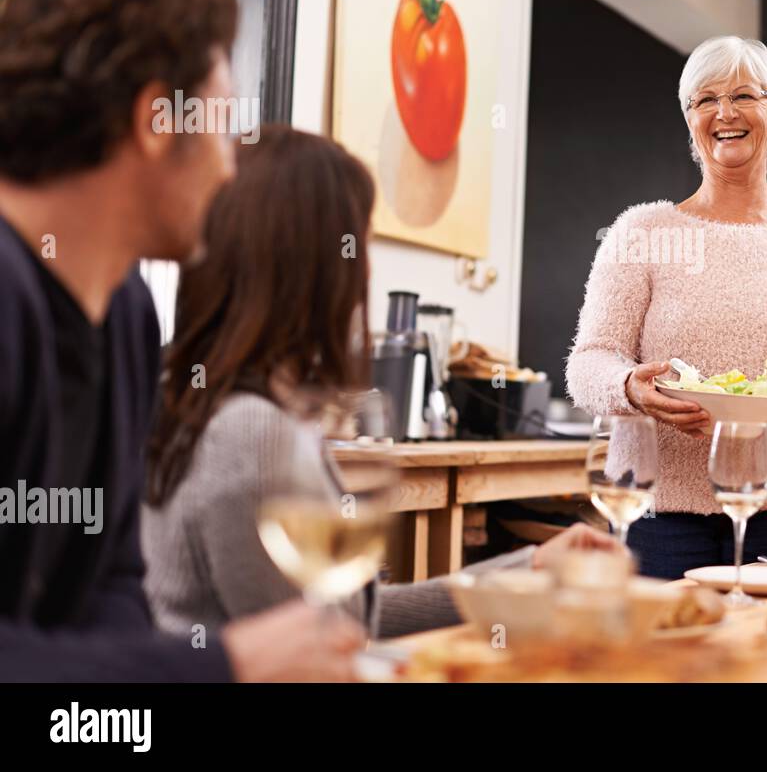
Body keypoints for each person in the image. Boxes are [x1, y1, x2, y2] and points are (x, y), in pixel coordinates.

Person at [0, 0, 360, 680]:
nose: (232, 167)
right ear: (155, 121)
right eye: (223, 129)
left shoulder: (127, 313)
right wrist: (222, 668)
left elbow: (111, 588)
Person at [143, 127, 622, 635]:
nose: (366, 267)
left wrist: (530, 570)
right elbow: (324, 640)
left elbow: (353, 614)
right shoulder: (252, 429)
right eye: (359, 243)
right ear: (312, 262)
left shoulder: (217, 400)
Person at [566, 36, 767, 580]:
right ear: (690, 120)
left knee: (758, 659)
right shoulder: (643, 230)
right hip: (658, 508)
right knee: (664, 658)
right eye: (705, 100)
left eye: (743, 96)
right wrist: (630, 388)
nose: (724, 113)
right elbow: (589, 361)